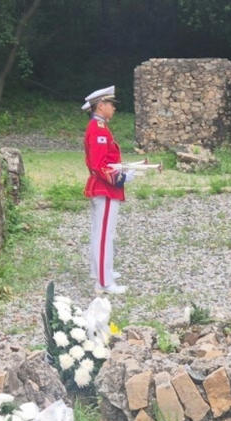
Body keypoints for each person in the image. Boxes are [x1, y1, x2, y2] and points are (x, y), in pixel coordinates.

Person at [82, 85, 132, 295]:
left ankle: (101, 271)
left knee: (101, 233)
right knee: (104, 235)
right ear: (101, 106)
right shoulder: (99, 130)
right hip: (106, 188)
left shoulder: (99, 127)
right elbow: (99, 164)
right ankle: (104, 282)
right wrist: (121, 177)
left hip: (104, 187)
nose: (114, 108)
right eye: (111, 104)